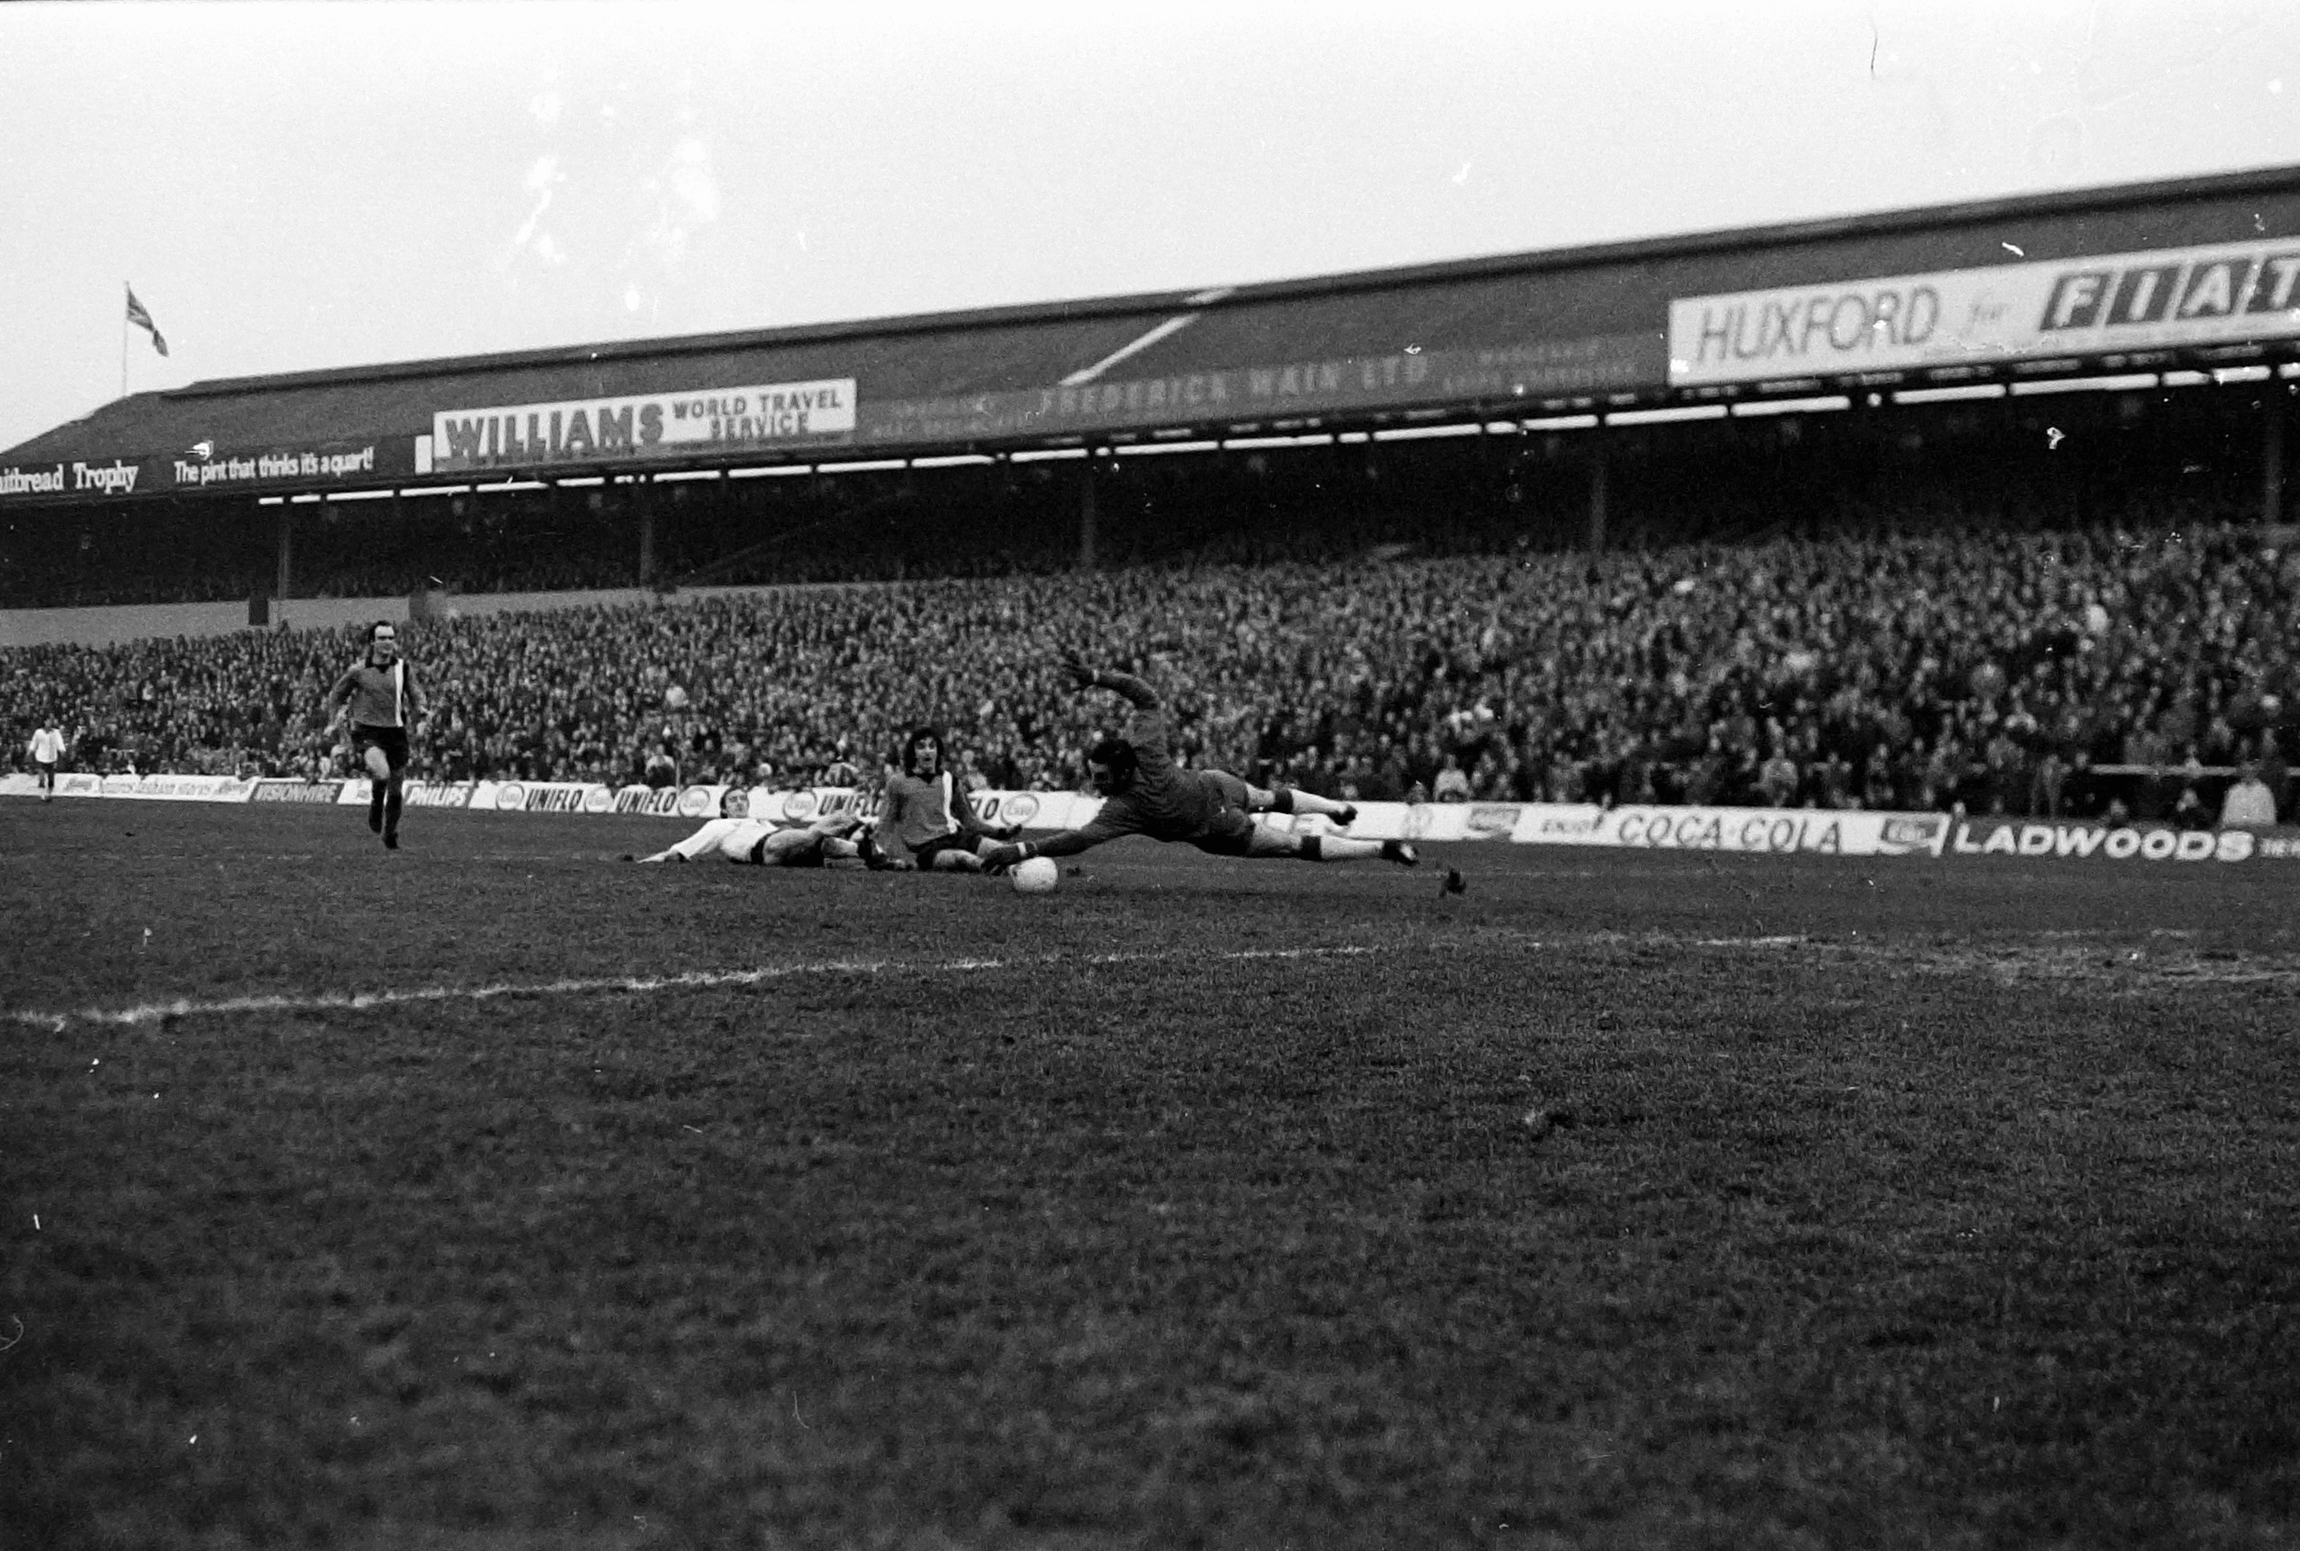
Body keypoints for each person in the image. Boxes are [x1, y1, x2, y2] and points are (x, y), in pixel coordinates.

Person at [977, 652, 1439, 880]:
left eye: (1101, 779)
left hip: (1219, 829)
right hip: (1216, 790)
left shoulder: (1123, 807)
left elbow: (1077, 840)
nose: (1096, 786)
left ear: (1121, 772)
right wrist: (1099, 678)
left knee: (1292, 843)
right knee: (1270, 800)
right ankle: (1342, 814)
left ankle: (1376, 845)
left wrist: (1022, 851)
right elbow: (1145, 696)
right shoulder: (1141, 748)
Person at [326, 620, 425, 850]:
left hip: (396, 732)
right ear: (372, 642)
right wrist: (333, 721)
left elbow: (415, 692)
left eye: (391, 638)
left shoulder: (403, 668)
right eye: (382, 638)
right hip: (368, 730)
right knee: (382, 773)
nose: (387, 642)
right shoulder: (358, 671)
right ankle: (375, 803)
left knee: (396, 792)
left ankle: (390, 833)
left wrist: (421, 709)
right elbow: (336, 695)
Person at [873, 725, 1018, 872]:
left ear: (938, 751)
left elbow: (969, 820)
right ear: (913, 752)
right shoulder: (897, 782)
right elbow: (886, 823)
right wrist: (883, 854)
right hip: (926, 849)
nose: (927, 751)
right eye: (921, 747)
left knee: (1001, 850)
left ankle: (1031, 854)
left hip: (956, 837)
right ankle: (994, 869)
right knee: (963, 858)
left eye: (932, 746)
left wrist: (999, 832)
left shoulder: (950, 780)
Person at [626, 810, 875, 867]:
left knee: (824, 843)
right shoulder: (719, 824)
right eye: (732, 800)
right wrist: (648, 861)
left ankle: (870, 854)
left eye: (741, 799)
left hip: (777, 843)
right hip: (765, 848)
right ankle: (861, 833)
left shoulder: (758, 821)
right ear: (724, 809)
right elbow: (683, 848)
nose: (739, 803)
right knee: (814, 834)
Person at [26, 720, 67, 802]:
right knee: (41, 777)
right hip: (40, 757)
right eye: (47, 721)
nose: (49, 723)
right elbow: (34, 742)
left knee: (51, 778)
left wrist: (62, 750)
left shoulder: (56, 732)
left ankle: (49, 794)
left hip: (52, 758)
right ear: (44, 722)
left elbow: (59, 742)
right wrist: (30, 751)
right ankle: (42, 795)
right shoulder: (38, 732)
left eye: (50, 722)